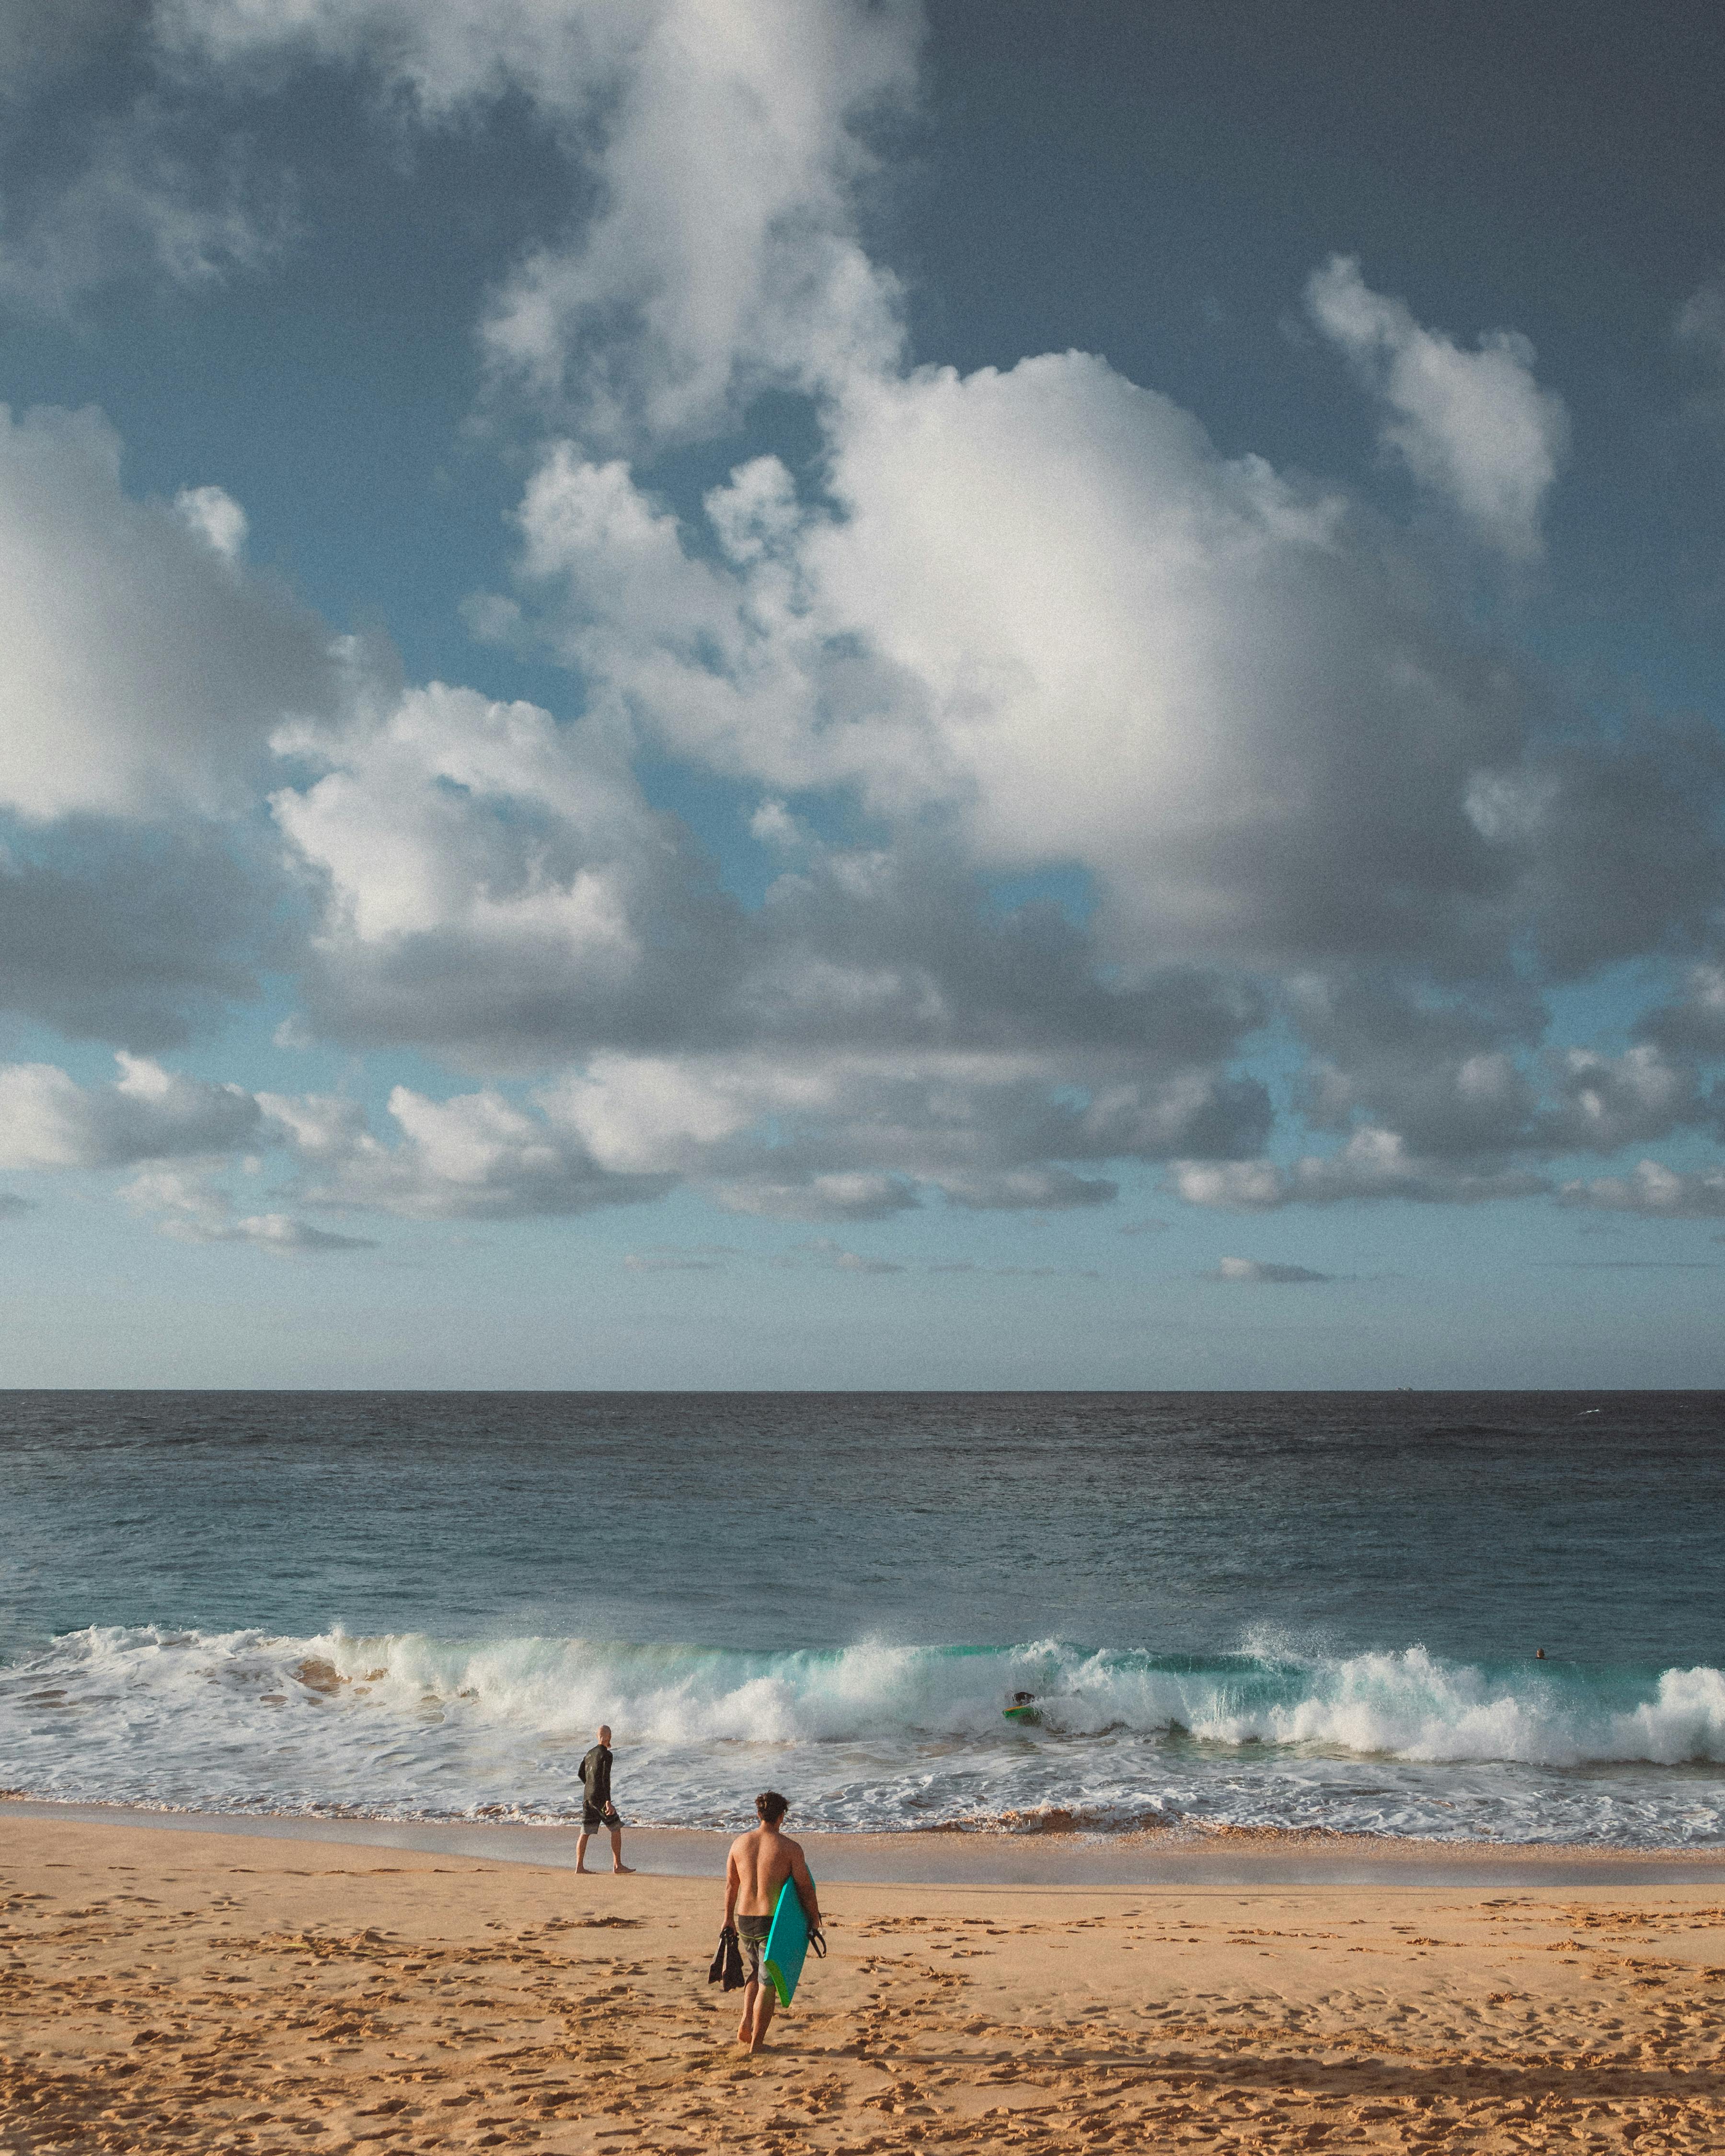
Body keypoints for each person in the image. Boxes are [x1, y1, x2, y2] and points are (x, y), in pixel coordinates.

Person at [723, 1790, 822, 2053]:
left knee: (756, 1970)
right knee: (769, 1983)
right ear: (782, 1817)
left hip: (744, 1920)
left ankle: (746, 2021)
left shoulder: (739, 1844)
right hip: (771, 1924)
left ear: (758, 1815)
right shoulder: (790, 1848)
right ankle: (757, 2044)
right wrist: (814, 1919)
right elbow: (804, 1888)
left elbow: (732, 1886)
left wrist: (727, 1920)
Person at [575, 1724, 633, 1875]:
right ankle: (617, 1866)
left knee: (585, 1832)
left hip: (587, 1797)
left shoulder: (589, 1754)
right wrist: (608, 1801)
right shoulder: (607, 1755)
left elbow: (581, 1774)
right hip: (600, 1799)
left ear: (597, 1737)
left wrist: (591, 1786)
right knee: (616, 1827)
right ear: (609, 1737)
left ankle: (579, 1867)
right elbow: (605, 1778)